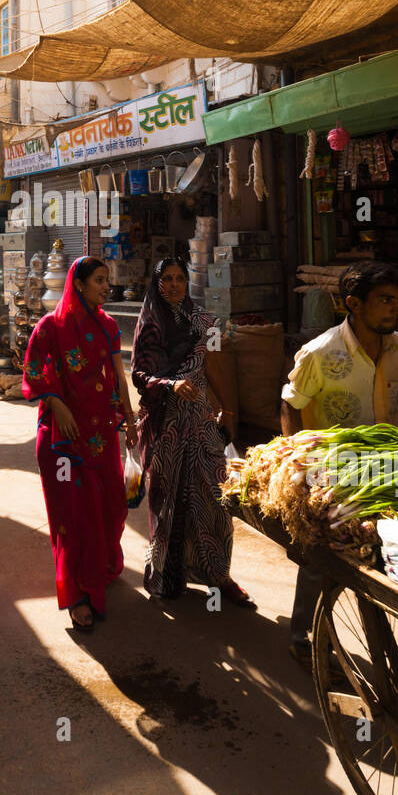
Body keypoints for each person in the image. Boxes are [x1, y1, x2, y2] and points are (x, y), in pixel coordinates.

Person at [281, 261, 398, 666]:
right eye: (385, 301)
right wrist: (301, 463)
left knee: (382, 554)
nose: (396, 309)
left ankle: (380, 640)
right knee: (323, 559)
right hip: (337, 472)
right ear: (353, 303)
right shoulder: (321, 352)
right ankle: (305, 637)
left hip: (392, 469)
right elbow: (291, 404)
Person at [22, 256, 137, 632]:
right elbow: (34, 371)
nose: (107, 286)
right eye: (100, 280)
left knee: (110, 506)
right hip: (63, 439)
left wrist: (130, 419)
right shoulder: (51, 326)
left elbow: (117, 375)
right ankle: (76, 594)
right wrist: (58, 404)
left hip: (101, 432)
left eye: (108, 280)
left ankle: (97, 569)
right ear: (80, 284)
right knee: (73, 516)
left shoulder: (106, 325)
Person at [131, 258, 254, 606]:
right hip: (165, 423)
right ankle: (166, 575)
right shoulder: (150, 323)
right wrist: (170, 384)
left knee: (214, 495)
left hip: (200, 420)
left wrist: (229, 410)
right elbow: (139, 374)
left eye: (179, 278)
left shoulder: (206, 321)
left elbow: (217, 363)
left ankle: (220, 576)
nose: (173, 285)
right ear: (157, 284)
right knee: (167, 499)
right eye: (166, 279)